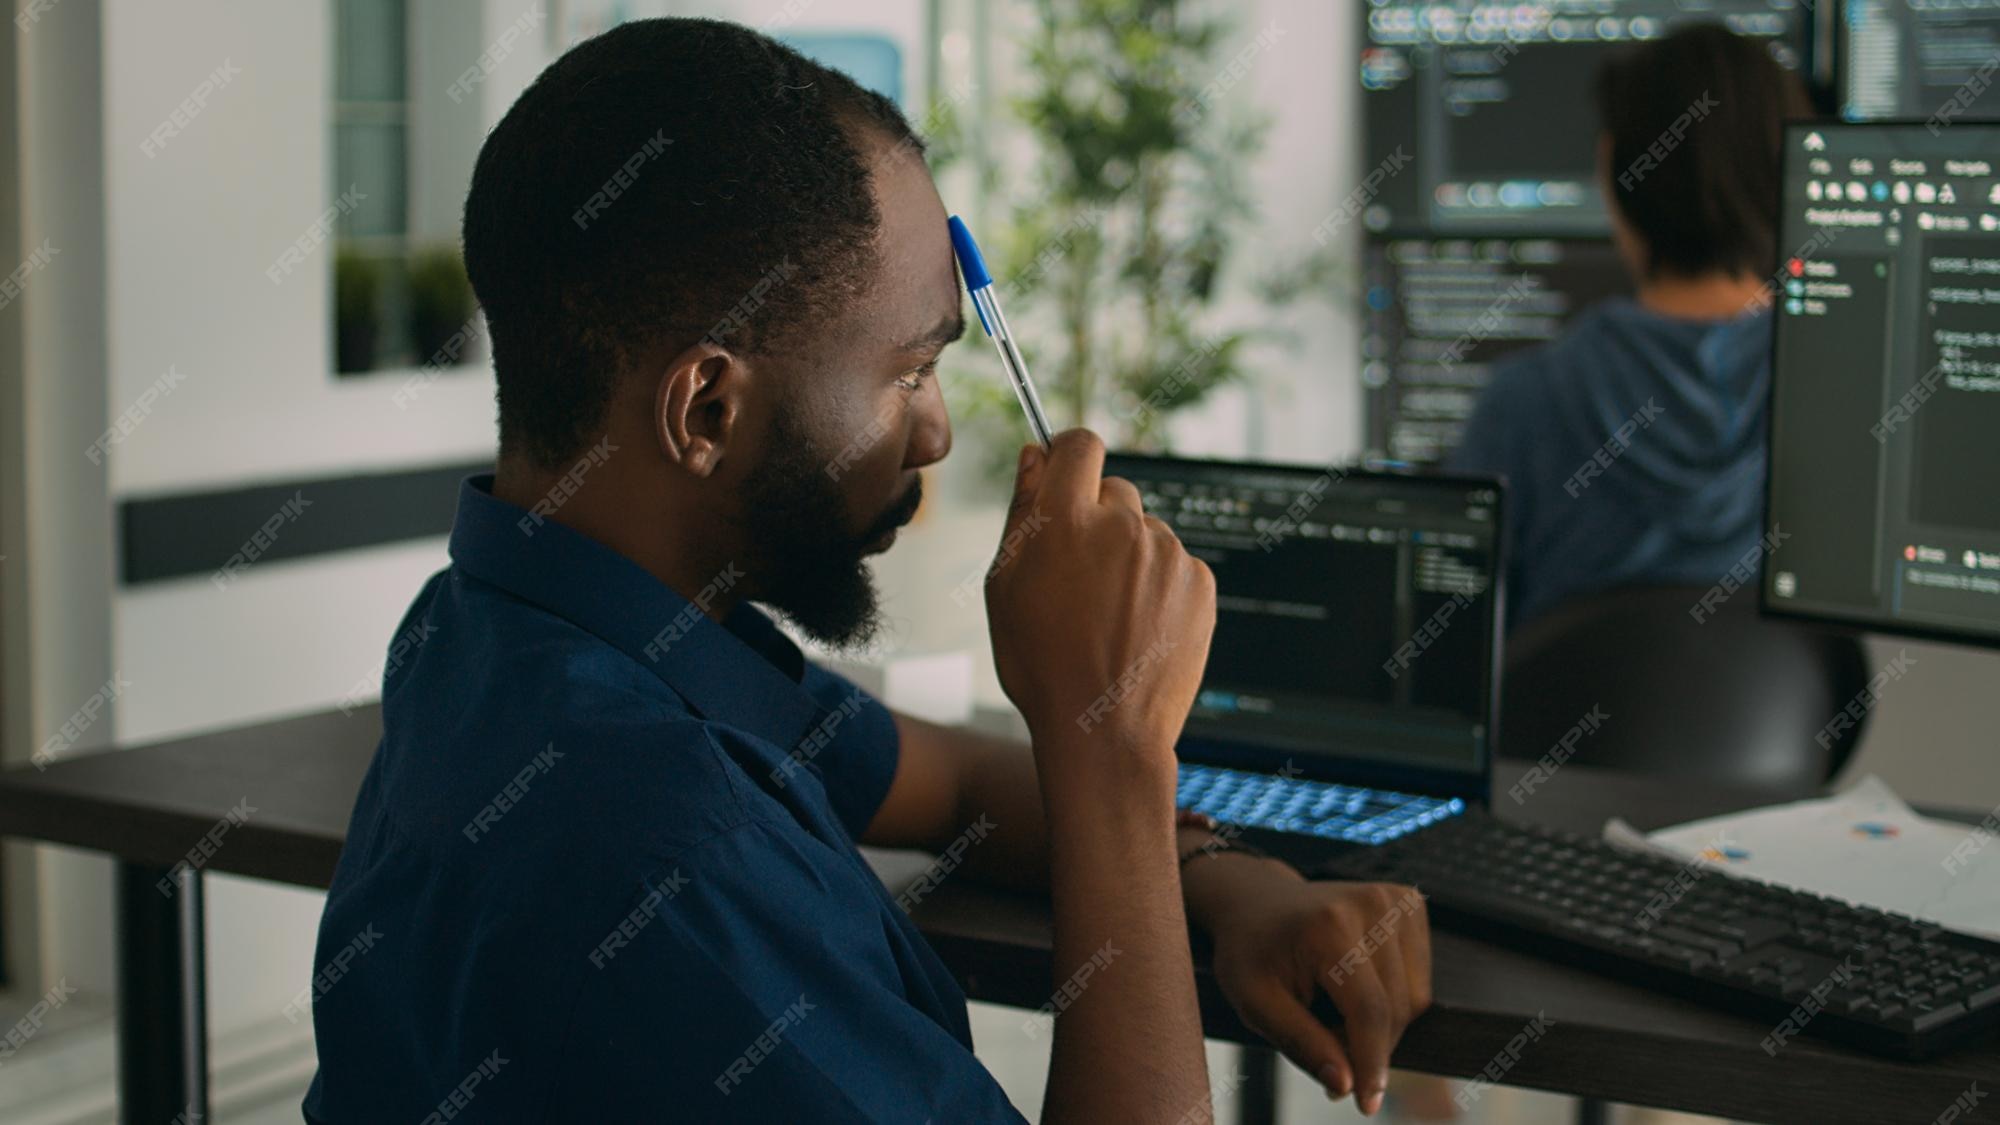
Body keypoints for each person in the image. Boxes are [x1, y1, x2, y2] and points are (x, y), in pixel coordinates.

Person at [304, 18, 1428, 1123]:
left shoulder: (510, 626)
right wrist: (1113, 744)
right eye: (907, 373)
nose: (935, 433)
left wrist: (1236, 882)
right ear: (706, 408)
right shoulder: (667, 849)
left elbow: (953, 787)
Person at [1448, 24, 1814, 631]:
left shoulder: (1520, 409)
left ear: (1613, 173)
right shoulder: (1845, 399)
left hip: (1563, 726)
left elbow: (1452, 645)